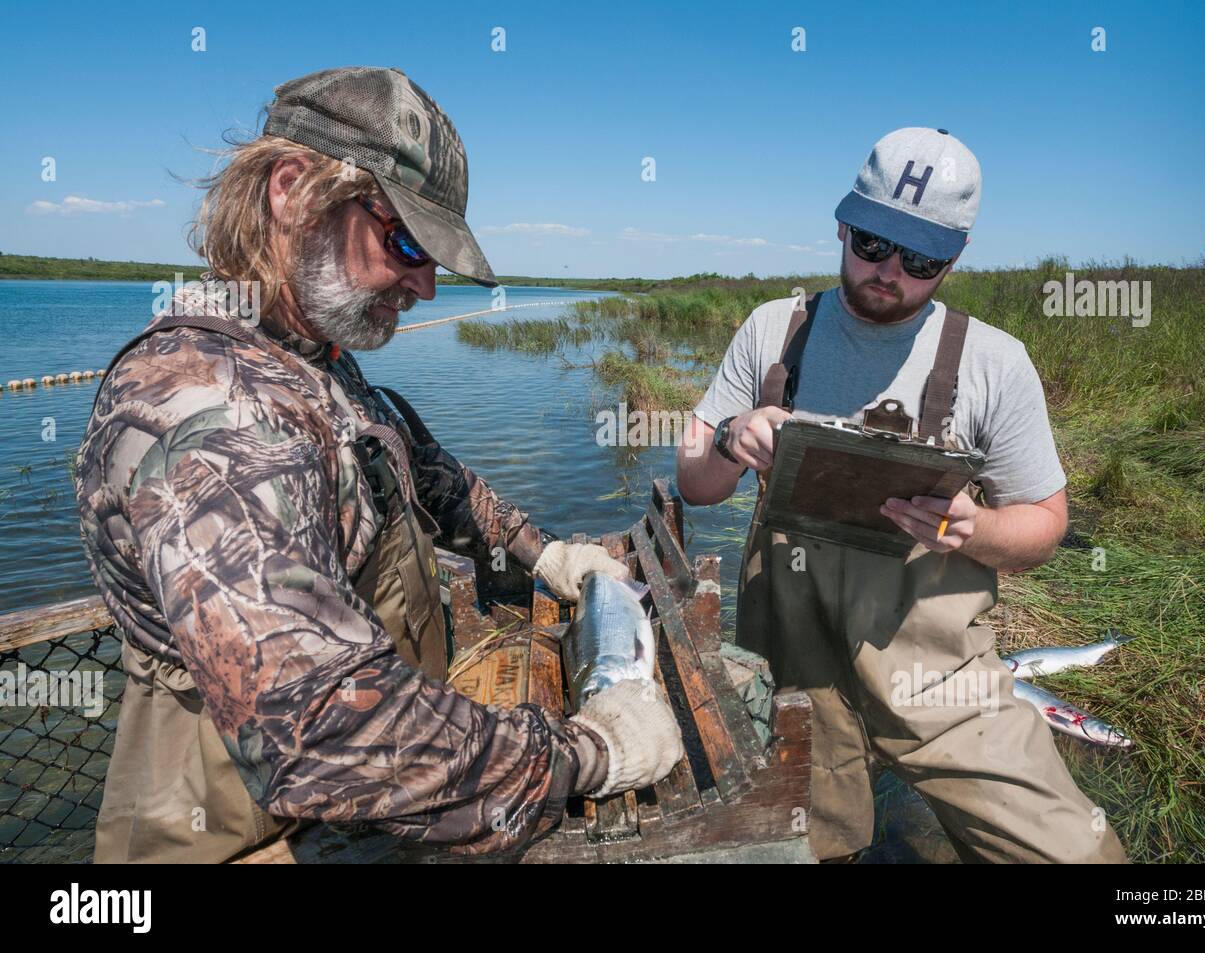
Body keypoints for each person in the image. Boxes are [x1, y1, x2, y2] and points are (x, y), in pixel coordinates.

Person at [75, 66, 681, 863]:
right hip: (250, 838)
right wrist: (589, 752)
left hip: (380, 815)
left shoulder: (314, 364)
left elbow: (432, 478)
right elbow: (326, 727)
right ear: (292, 191)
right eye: (407, 242)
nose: (427, 285)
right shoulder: (207, 411)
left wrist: (547, 552)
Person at [676, 127, 1127, 863]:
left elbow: (1046, 524)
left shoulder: (996, 364)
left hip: (946, 680)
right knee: (805, 847)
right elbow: (693, 483)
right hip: (797, 670)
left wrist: (972, 528)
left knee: (1079, 855)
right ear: (843, 224)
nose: (888, 272)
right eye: (872, 244)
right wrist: (730, 438)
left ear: (953, 258)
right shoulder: (773, 330)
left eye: (919, 259)